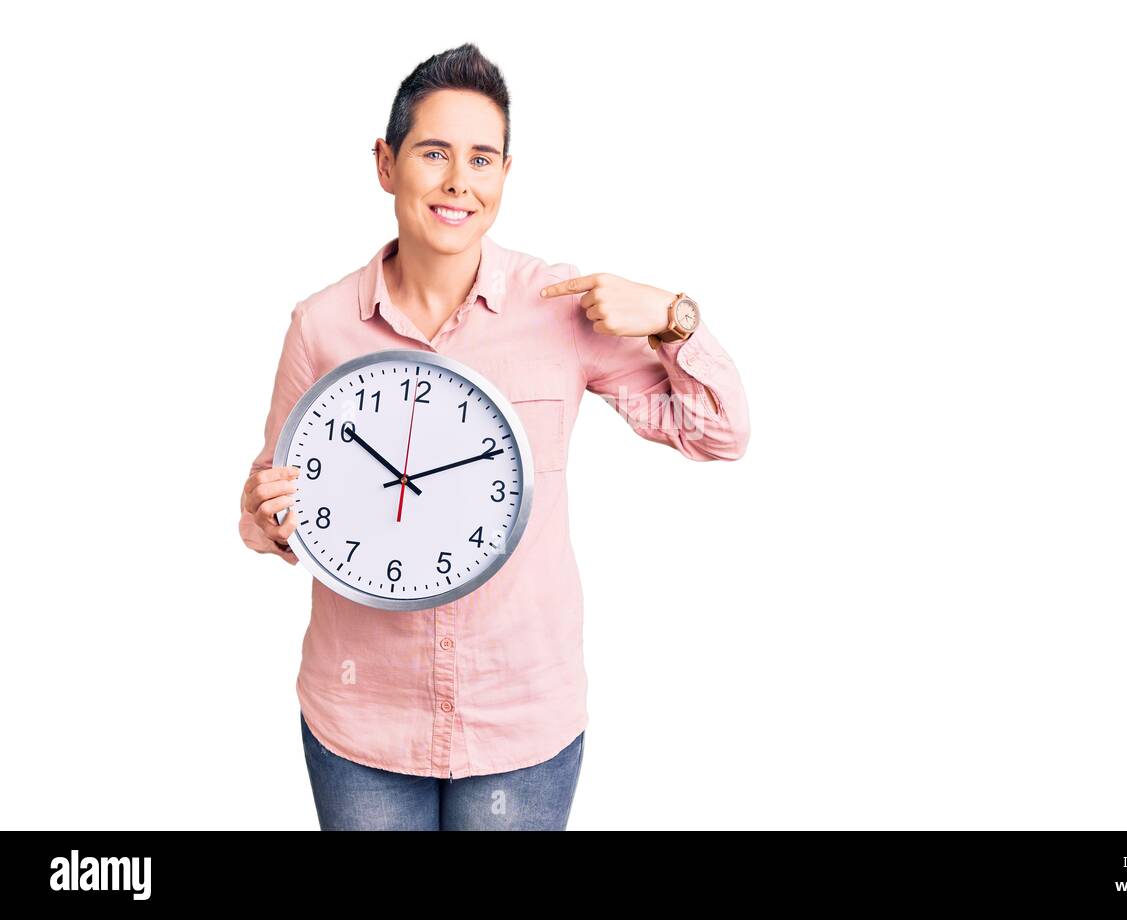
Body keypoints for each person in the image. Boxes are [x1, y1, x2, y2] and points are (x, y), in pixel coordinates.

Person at [238, 43, 750, 831]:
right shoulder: (322, 324)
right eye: (434, 153)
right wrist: (266, 517)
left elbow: (719, 433)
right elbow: (272, 509)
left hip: (521, 718)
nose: (458, 182)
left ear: (505, 175)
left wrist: (674, 317)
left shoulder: (559, 305)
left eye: (482, 159)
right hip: (363, 719)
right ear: (386, 162)